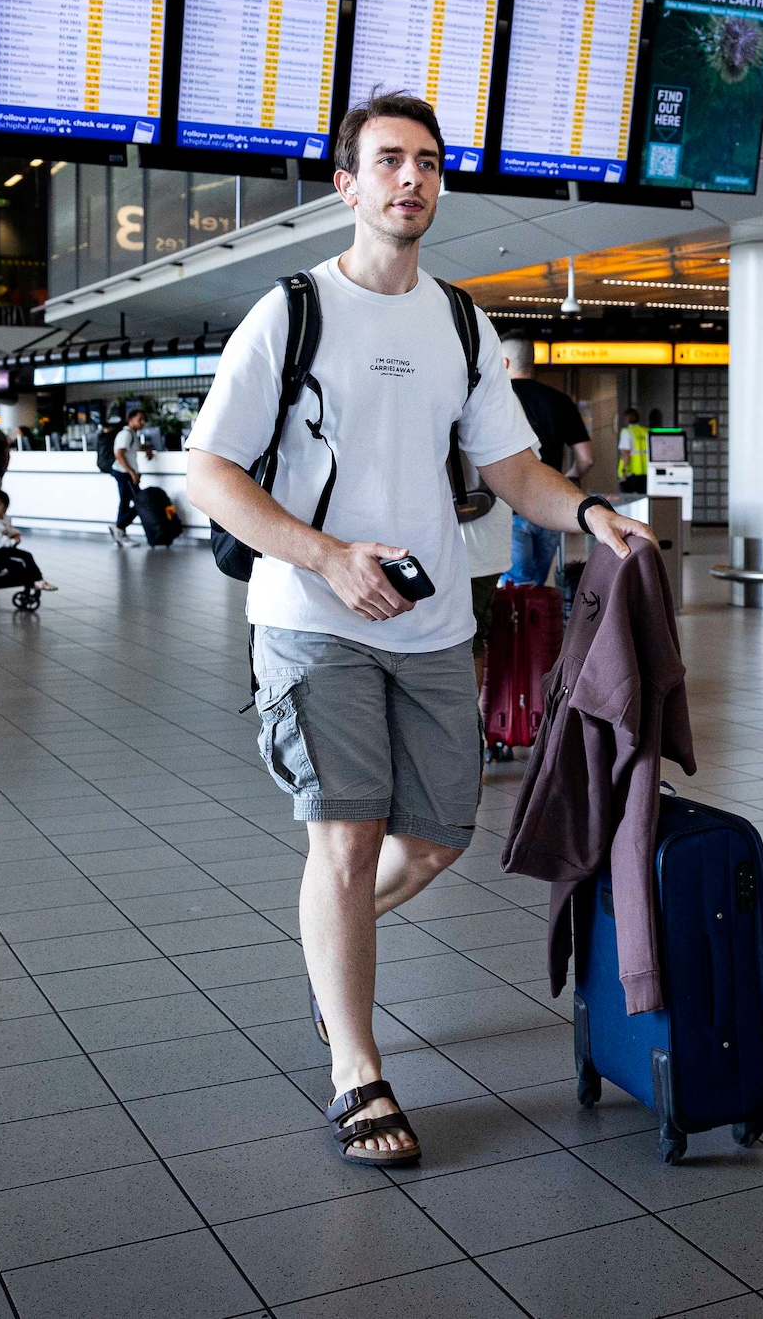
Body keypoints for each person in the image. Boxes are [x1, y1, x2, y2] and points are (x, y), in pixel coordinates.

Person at [184, 91, 652, 1170]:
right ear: (346, 185)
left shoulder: (456, 321)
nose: (412, 180)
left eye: (428, 164)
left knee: (436, 839)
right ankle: (357, 1065)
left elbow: (510, 471)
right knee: (343, 838)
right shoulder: (291, 311)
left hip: (434, 622)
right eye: (389, 162)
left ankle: (327, 952)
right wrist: (325, 557)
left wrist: (588, 514)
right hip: (313, 616)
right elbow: (206, 470)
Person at [500, 342, 593, 588]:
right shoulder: (560, 401)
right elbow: (586, 458)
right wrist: (569, 477)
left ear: (505, 362)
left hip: (508, 509)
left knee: (514, 588)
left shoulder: (496, 399)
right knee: (537, 588)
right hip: (549, 509)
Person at [105, 406, 146, 546]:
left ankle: (120, 532)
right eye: (139, 419)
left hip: (125, 473)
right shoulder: (126, 434)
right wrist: (131, 472)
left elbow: (135, 449)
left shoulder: (133, 434)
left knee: (126, 503)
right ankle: (119, 528)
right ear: (131, 420)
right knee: (140, 502)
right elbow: (119, 454)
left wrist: (147, 449)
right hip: (124, 473)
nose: (142, 422)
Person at [616, 407, 648, 493]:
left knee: (627, 500)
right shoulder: (646, 431)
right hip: (646, 472)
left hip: (631, 472)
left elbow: (626, 453)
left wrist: (624, 471)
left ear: (627, 418)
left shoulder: (627, 432)